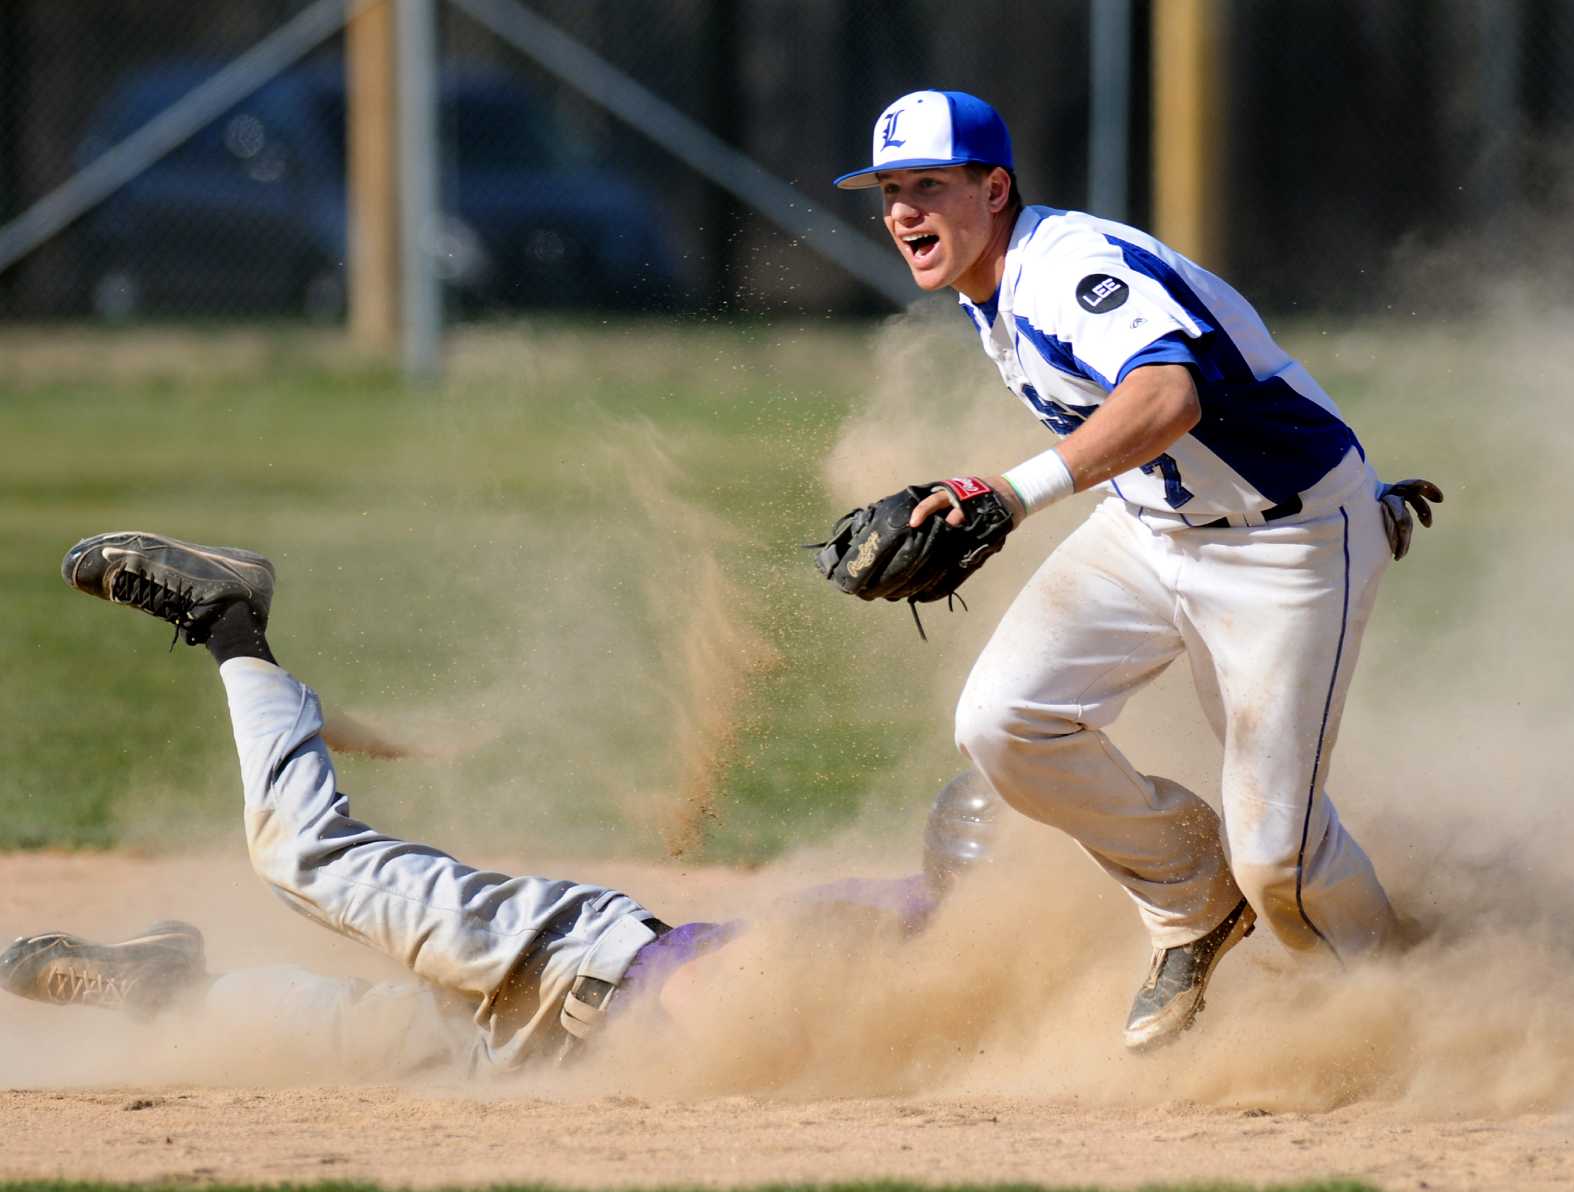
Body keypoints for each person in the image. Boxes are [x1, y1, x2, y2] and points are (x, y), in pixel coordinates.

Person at [833, 90, 1440, 1050]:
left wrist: (1009, 493)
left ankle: (1424, 1015)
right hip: (1155, 526)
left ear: (994, 190)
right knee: (1004, 720)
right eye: (890, 191)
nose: (904, 212)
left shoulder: (1065, 270)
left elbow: (1169, 394)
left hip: (1284, 543)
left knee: (1279, 864)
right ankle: (1190, 896)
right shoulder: (988, 286)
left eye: (929, 187)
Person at [1, 532, 994, 1073]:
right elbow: (702, 1007)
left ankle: (168, 987)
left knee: (356, 1039)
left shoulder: (962, 961)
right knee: (306, 859)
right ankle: (230, 619)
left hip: (559, 1054)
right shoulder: (887, 932)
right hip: (568, 962)